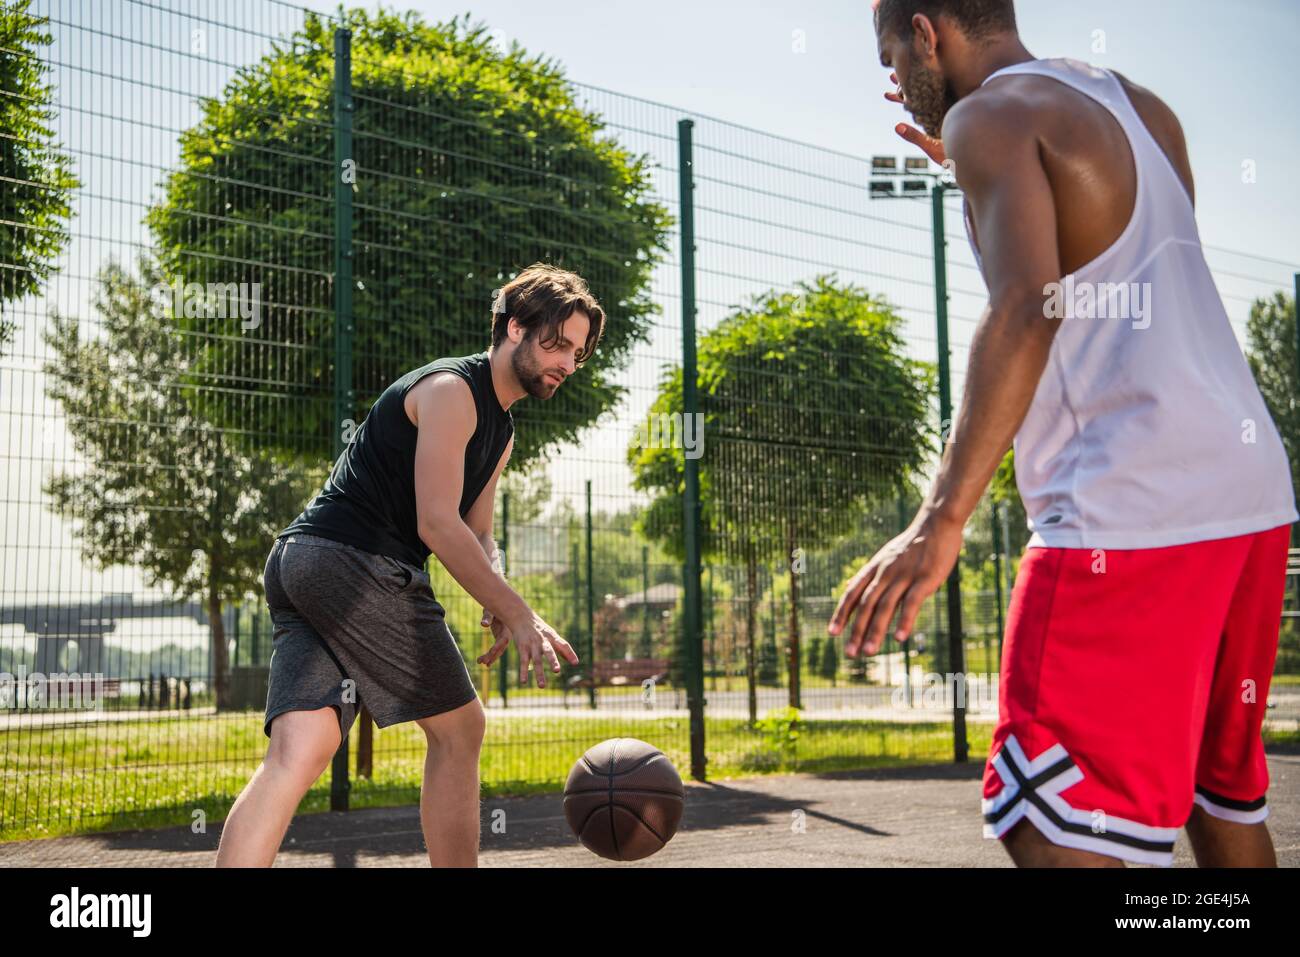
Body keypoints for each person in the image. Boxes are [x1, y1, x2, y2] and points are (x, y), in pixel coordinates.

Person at [829, 0, 1297, 867]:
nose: (891, 75)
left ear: (928, 31)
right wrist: (982, 171)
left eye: (891, 51)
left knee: (1047, 816)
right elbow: (1114, 278)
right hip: (1249, 497)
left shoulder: (989, 118)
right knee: (1216, 791)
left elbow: (1030, 307)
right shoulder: (1139, 107)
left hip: (1131, 504)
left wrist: (942, 517)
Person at [216, 263, 603, 867]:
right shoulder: (453, 392)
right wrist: (519, 612)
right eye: (556, 343)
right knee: (461, 730)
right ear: (513, 328)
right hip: (357, 565)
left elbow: (477, 532)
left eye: (577, 353)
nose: (566, 362)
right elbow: (435, 524)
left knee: (302, 749)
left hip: (303, 563)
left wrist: (494, 600)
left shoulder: (500, 431)